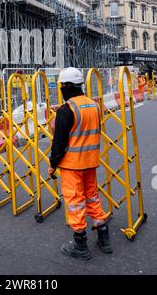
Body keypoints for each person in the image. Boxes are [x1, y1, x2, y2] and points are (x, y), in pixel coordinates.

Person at [48, 67, 112, 261]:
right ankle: (103, 236)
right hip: (90, 162)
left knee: (75, 202)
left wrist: (53, 164)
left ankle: (80, 244)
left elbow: (59, 141)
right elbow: (84, 128)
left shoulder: (67, 110)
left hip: (72, 165)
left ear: (66, 86)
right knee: (92, 197)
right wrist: (61, 113)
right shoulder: (94, 106)